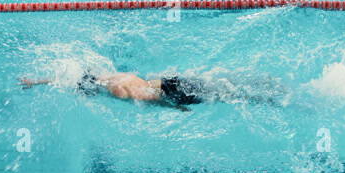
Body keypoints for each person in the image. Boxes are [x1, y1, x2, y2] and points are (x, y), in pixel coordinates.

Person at [20, 70, 281, 110]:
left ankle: (275, 98)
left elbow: (149, 97)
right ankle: (271, 87)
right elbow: (70, 78)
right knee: (227, 86)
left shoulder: (116, 91)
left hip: (173, 93)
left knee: (233, 96)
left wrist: (174, 108)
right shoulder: (108, 75)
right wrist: (37, 81)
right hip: (173, 81)